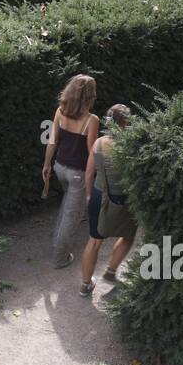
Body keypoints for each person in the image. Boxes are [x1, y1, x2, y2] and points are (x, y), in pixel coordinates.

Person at [79, 104, 138, 296]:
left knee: (94, 241)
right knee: (128, 236)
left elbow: (89, 173)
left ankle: (85, 285)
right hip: (123, 200)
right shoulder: (131, 145)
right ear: (126, 122)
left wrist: (89, 195)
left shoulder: (98, 143)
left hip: (98, 195)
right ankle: (111, 271)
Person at [42, 75, 99, 269]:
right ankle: (60, 258)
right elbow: (92, 152)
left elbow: (52, 140)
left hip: (59, 168)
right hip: (78, 174)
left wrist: (47, 164)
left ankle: (56, 243)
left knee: (68, 205)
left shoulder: (60, 111)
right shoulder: (92, 120)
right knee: (71, 215)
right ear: (89, 96)